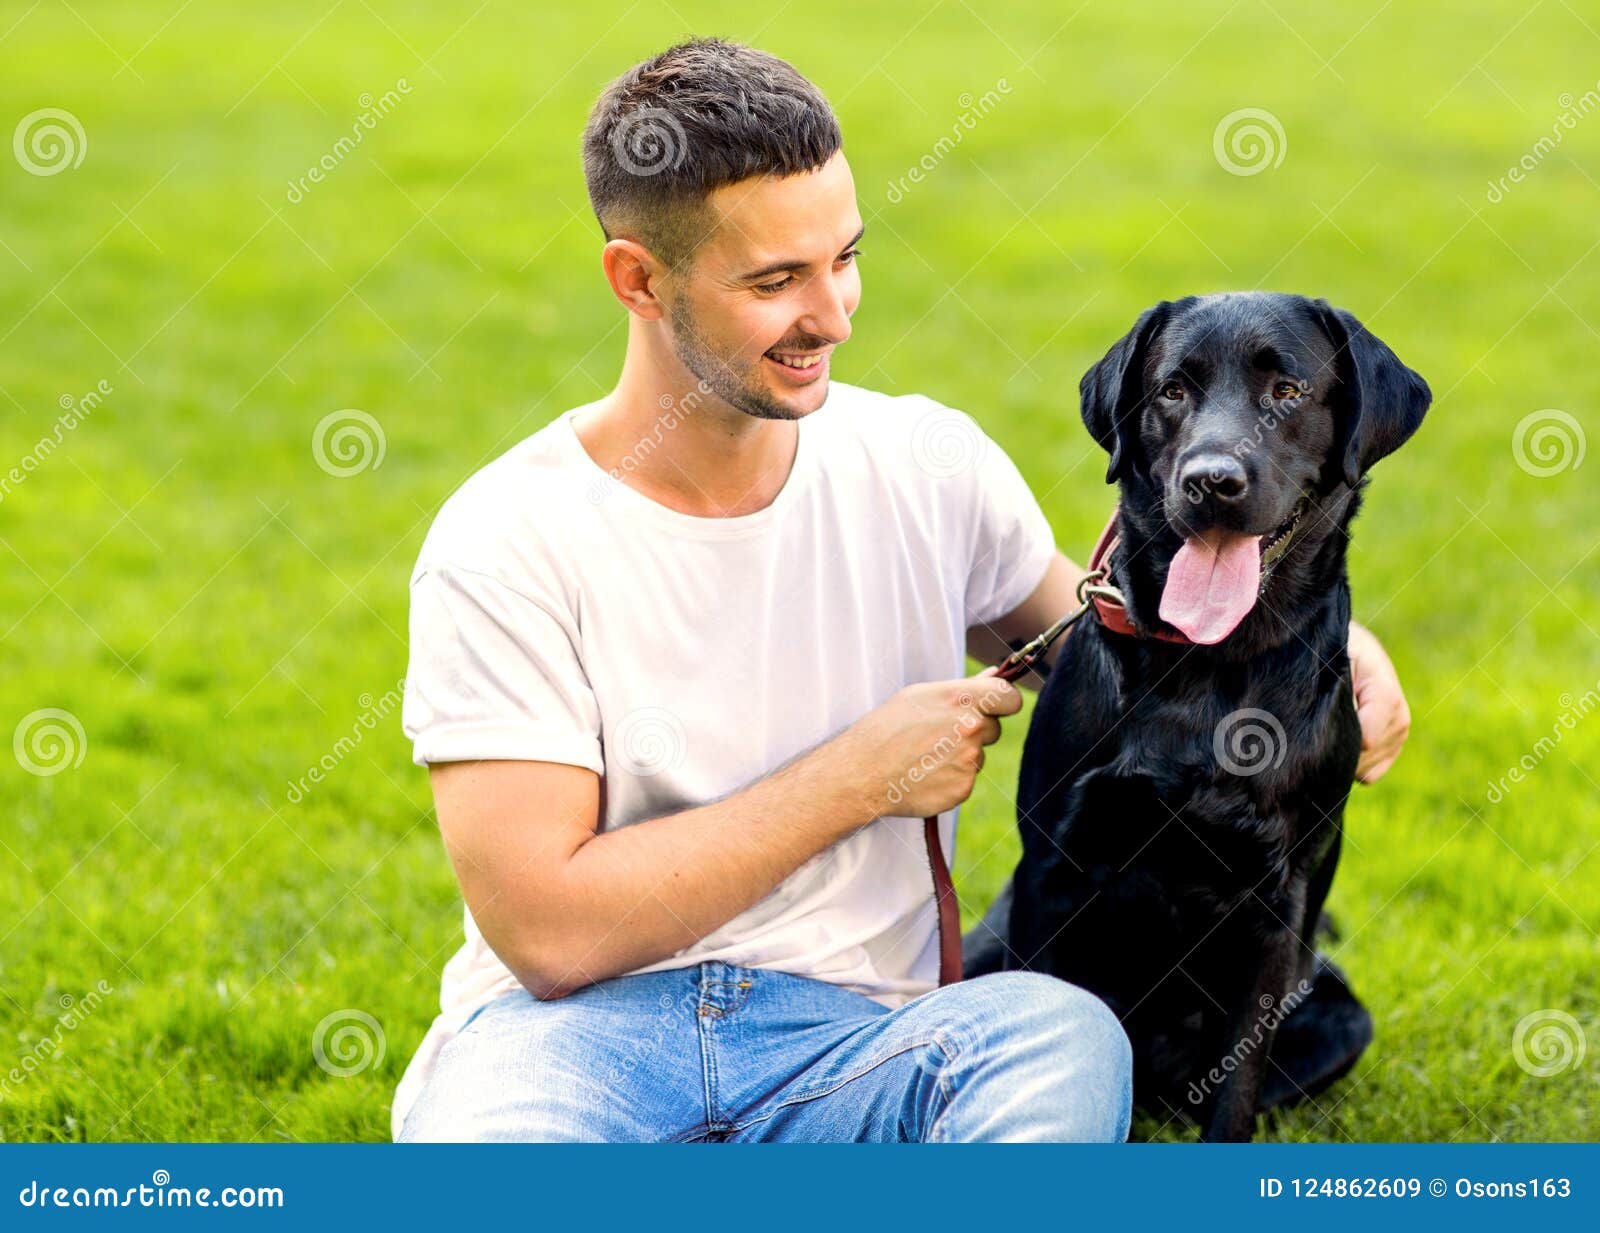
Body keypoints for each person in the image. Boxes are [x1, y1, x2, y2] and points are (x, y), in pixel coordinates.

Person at [393, 39, 1410, 1143]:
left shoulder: (927, 461)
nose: (831, 314)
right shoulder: (503, 540)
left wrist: (1329, 646)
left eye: (843, 257)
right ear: (639, 279)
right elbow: (549, 933)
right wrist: (855, 781)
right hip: (573, 1043)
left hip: (867, 1040)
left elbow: (1107, 622)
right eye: (775, 280)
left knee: (1062, 1037)